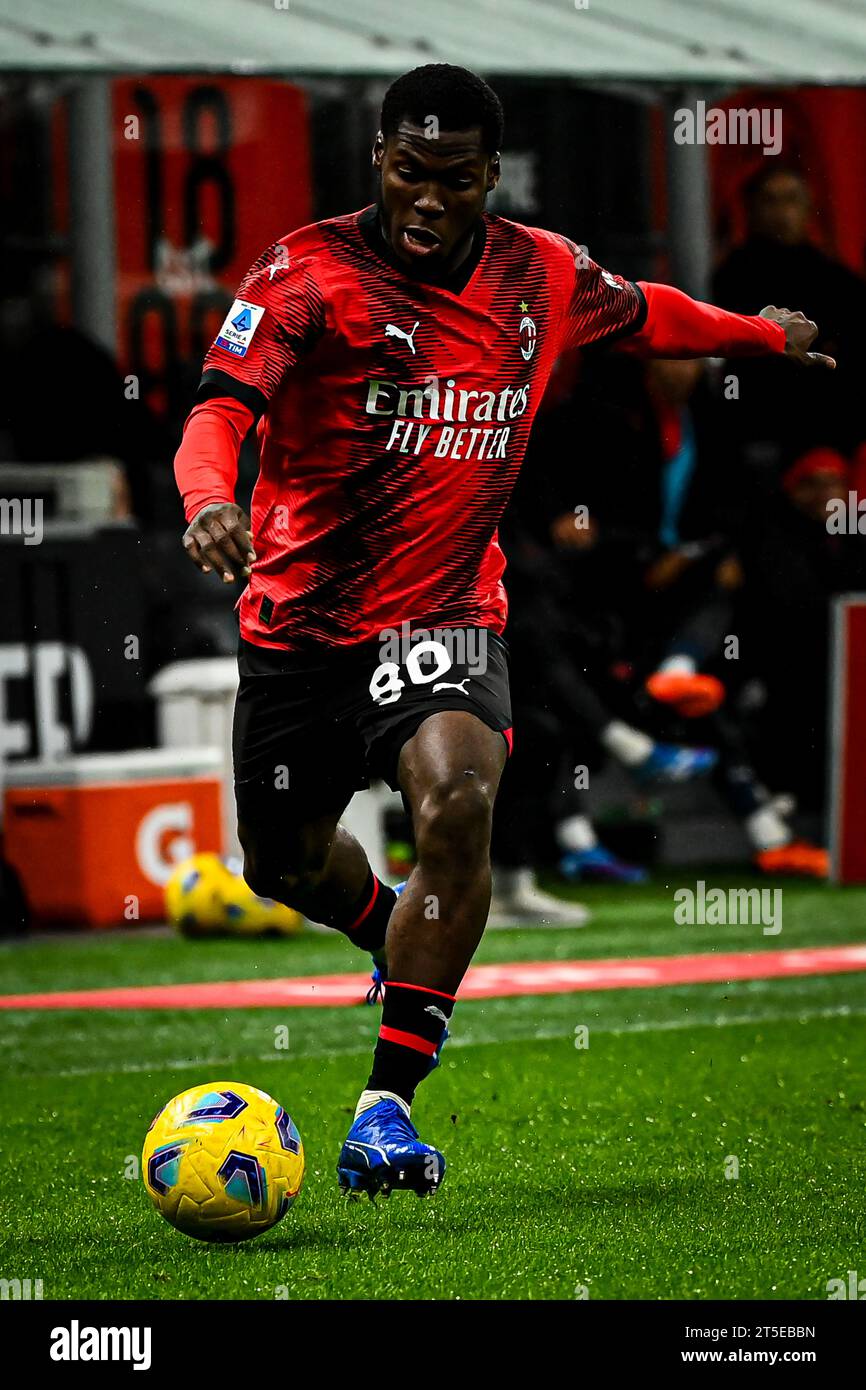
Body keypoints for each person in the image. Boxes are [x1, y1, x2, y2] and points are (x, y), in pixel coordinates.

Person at [173, 64, 832, 1201]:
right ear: (378, 158)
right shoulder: (304, 272)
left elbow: (646, 313)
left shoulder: (540, 270)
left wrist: (757, 335)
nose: (428, 201)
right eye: (408, 173)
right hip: (299, 622)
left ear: (491, 175)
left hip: (445, 610)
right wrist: (208, 499)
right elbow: (220, 407)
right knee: (280, 863)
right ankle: (390, 934)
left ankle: (385, 1108)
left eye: (456, 180)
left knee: (459, 801)